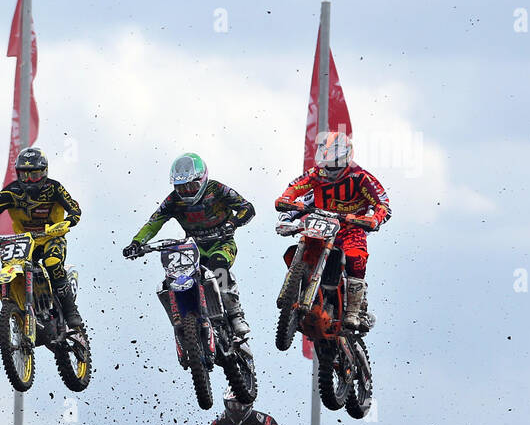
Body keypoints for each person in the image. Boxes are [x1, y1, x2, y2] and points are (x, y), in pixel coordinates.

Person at [123, 153, 256, 337]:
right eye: (181, 187)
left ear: (203, 180)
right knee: (173, 279)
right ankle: (182, 320)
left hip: (221, 243)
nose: (187, 191)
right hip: (193, 248)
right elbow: (154, 222)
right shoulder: (172, 200)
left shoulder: (217, 189)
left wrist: (232, 223)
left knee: (218, 267)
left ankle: (236, 315)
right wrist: (137, 243)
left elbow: (247, 207)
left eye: (191, 186)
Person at [275, 131, 391, 330]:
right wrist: (286, 199)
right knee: (302, 241)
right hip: (321, 222)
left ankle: (354, 310)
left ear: (346, 157)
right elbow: (295, 186)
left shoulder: (360, 177)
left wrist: (374, 218)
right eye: (327, 163)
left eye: (334, 164)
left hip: (351, 228)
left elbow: (383, 203)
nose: (329, 170)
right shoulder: (317, 173)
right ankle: (293, 290)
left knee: (356, 257)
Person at [0, 146, 85, 328]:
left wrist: (67, 223)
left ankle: (70, 311)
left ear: (44, 172)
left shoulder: (54, 188)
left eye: (34, 175)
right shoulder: (10, 192)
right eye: (24, 175)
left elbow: (75, 210)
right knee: (13, 266)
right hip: (25, 241)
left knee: (52, 263)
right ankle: (21, 308)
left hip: (51, 238)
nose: (28, 180)